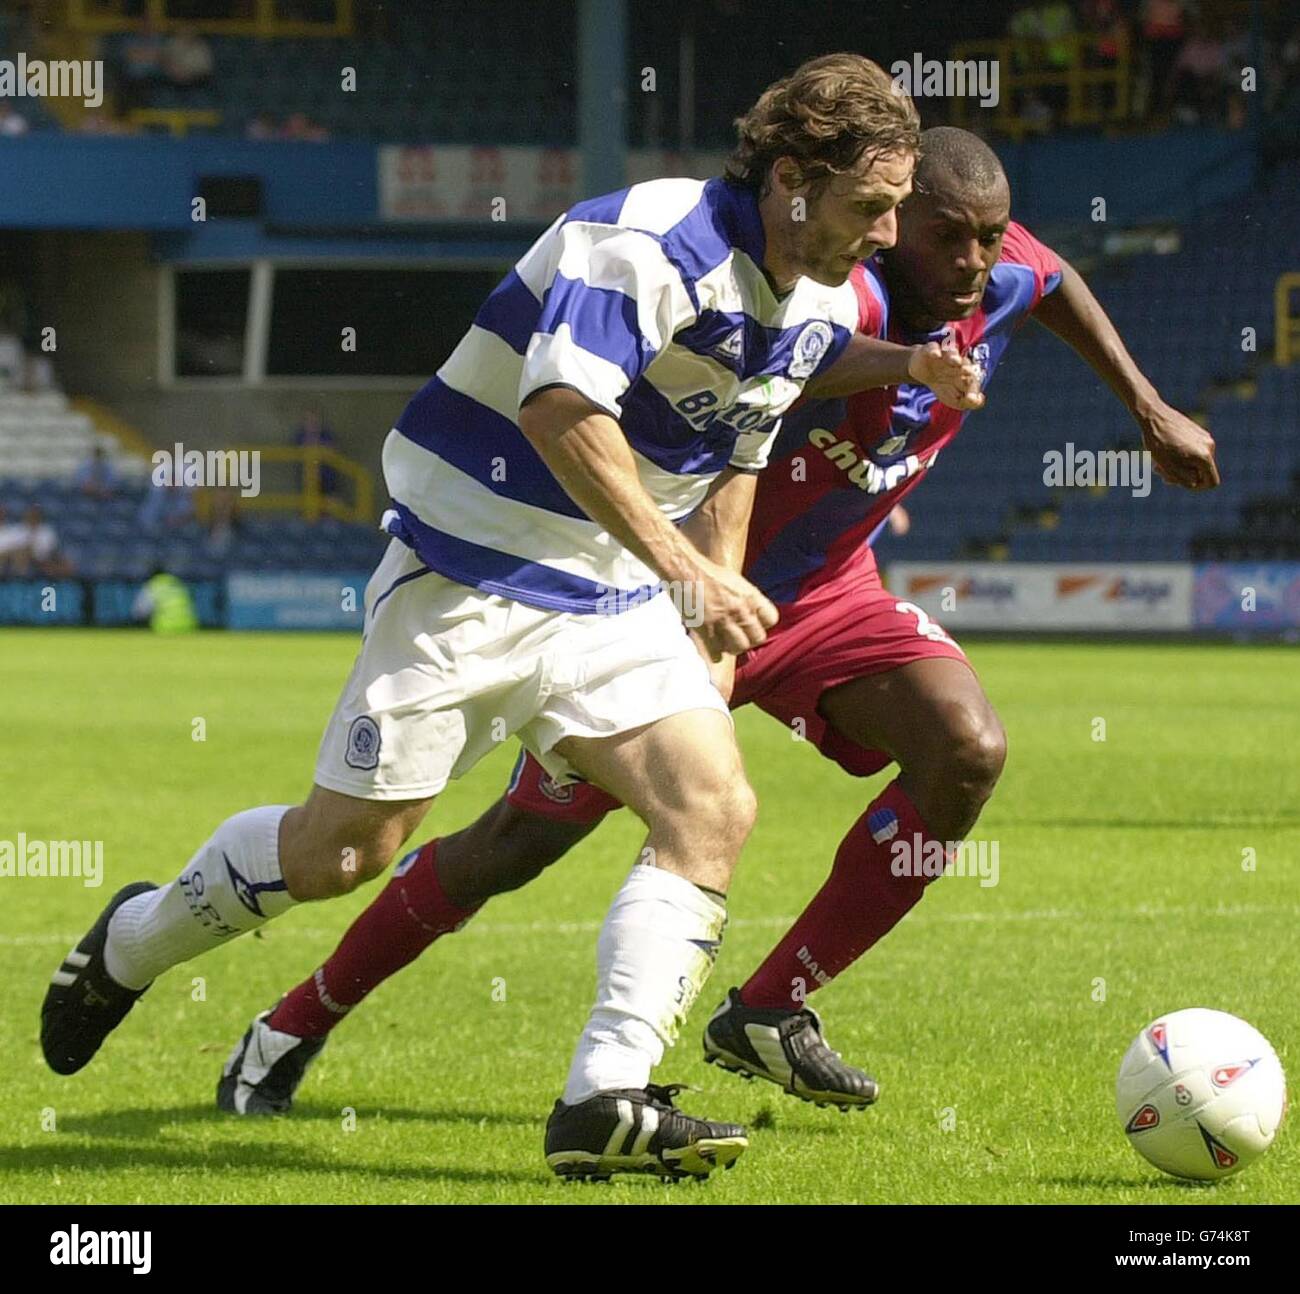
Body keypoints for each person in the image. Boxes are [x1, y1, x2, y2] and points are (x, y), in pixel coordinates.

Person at [41, 55, 977, 1183]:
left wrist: (705, 610)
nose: (885, 235)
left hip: (616, 596)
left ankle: (603, 1098)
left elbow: (737, 454)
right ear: (789, 179)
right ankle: (130, 943)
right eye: (869, 205)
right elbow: (559, 409)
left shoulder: (817, 301)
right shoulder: (641, 241)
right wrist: (687, 566)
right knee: (341, 852)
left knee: (712, 806)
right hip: (467, 576)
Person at [215, 128, 1219, 1121]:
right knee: (514, 845)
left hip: (825, 593)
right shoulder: (834, 290)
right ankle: (293, 1022)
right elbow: (790, 361)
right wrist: (906, 365)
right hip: (676, 602)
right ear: (886, 218)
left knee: (964, 747)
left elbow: (1051, 287)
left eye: (989, 237)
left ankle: (770, 1007)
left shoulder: (991, 270)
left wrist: (1145, 405)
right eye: (945, 235)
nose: (973, 262)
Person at [132, 565, 199, 634]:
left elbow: (140, 611)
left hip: (165, 628)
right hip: (188, 627)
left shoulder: (153, 585)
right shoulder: (177, 582)